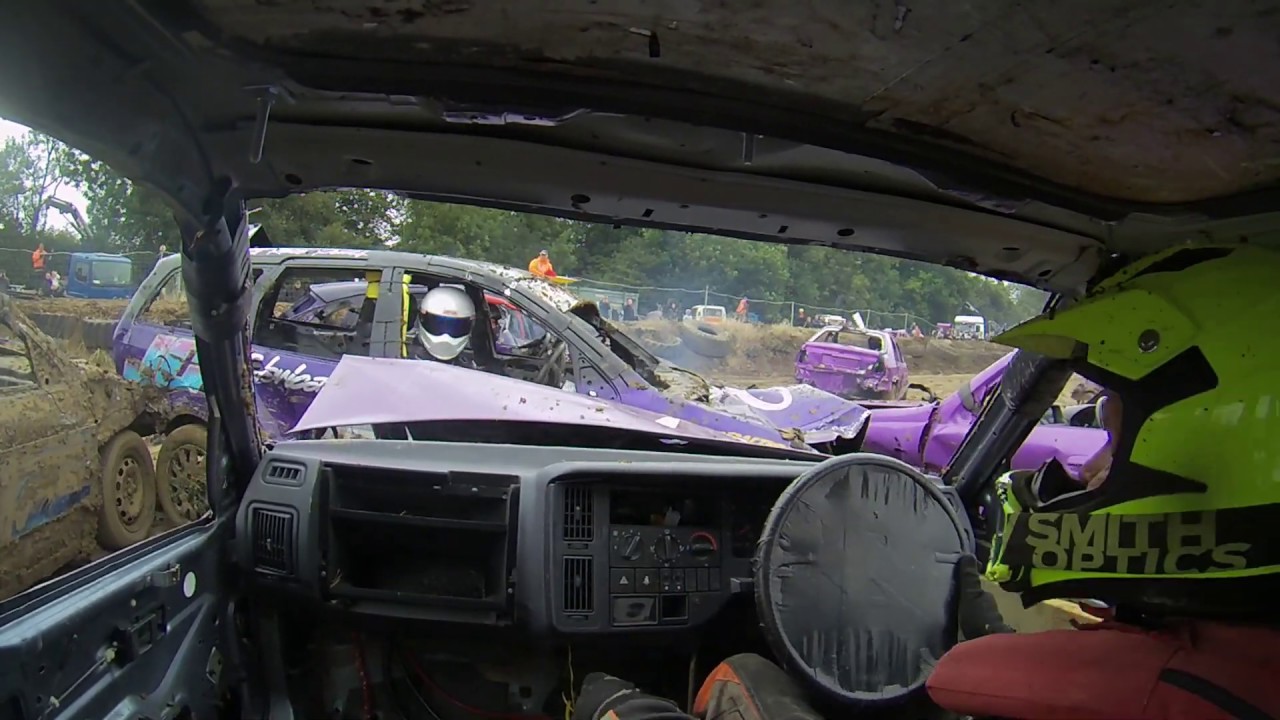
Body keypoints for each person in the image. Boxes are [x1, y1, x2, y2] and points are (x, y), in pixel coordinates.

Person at [571, 243, 1280, 720]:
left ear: (1211, 453)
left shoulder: (1108, 687)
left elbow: (950, 677)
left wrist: (987, 641)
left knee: (729, 680)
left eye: (1110, 433)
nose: (1086, 467)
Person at [410, 286, 476, 366]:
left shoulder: (467, 367)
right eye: (439, 324)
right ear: (422, 318)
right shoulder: (404, 359)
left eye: (456, 327)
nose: (446, 337)